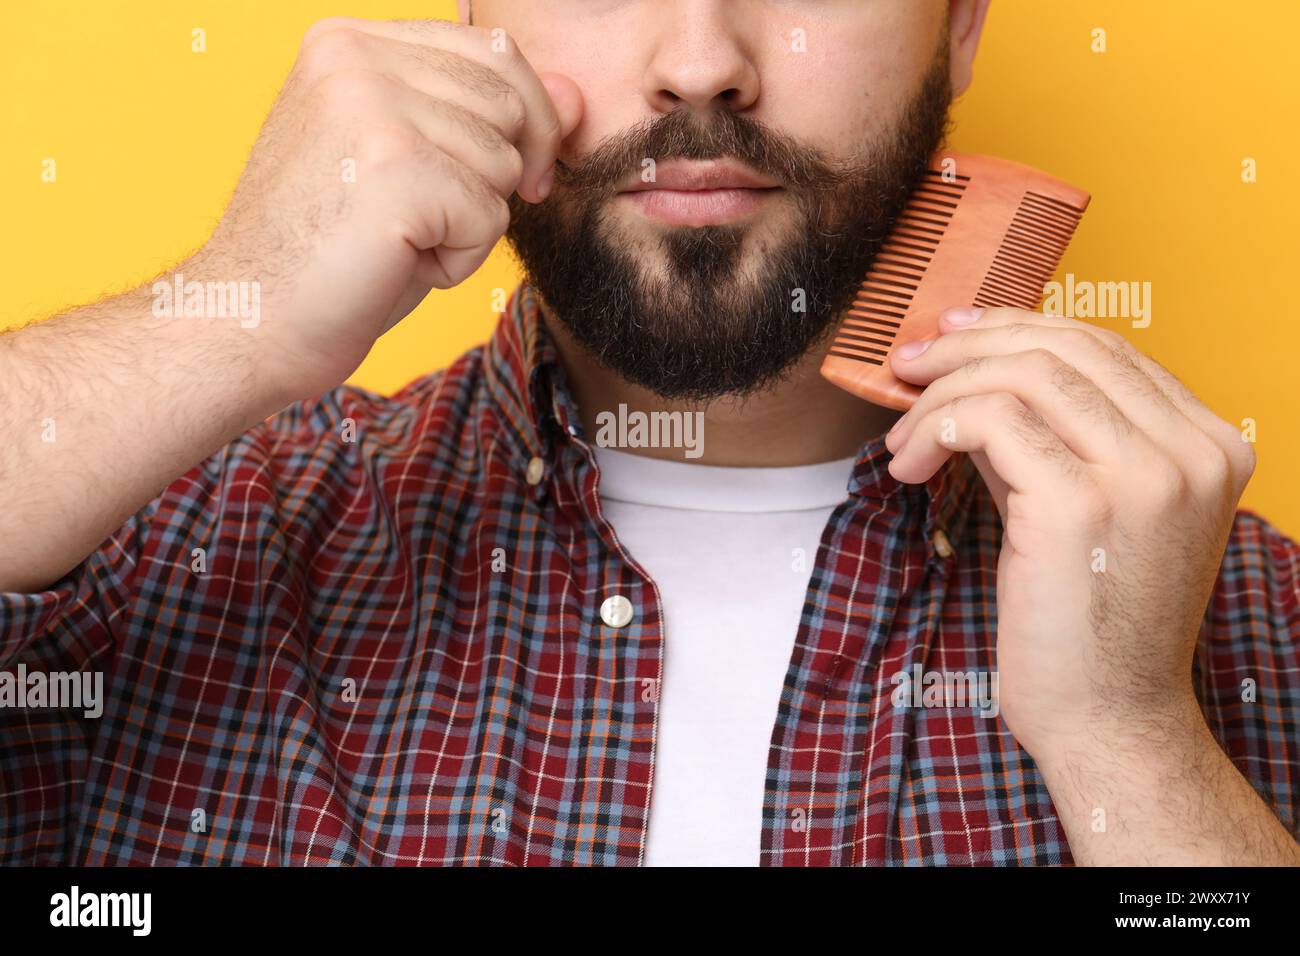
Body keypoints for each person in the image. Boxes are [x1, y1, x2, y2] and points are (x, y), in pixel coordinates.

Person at [1, 0, 1297, 866]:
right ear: (474, 22)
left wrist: (1136, 742)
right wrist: (224, 318)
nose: (700, 59)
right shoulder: (143, 552)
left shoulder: (1254, 626)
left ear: (957, 29)